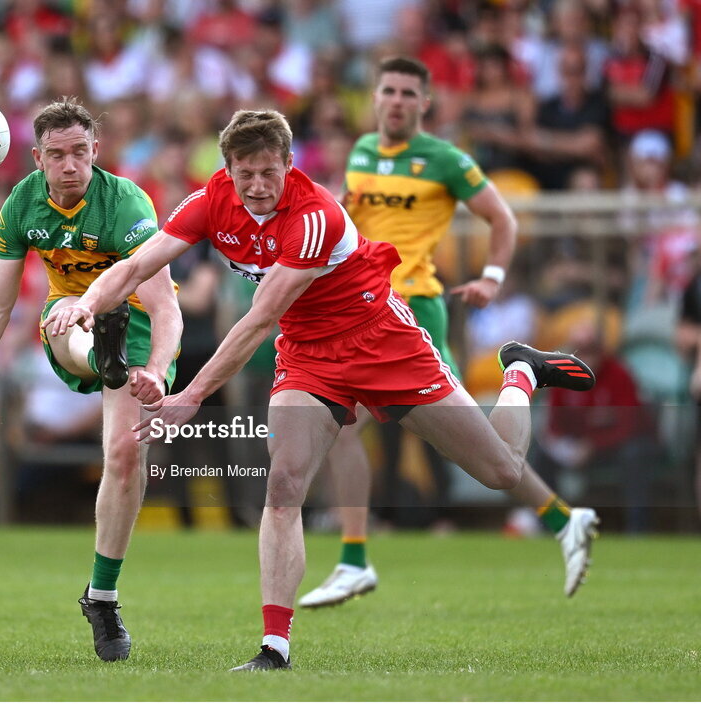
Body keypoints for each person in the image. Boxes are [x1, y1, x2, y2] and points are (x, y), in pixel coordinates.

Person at [44, 107, 598, 671]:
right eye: (245, 173)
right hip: (309, 355)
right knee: (283, 481)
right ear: (228, 169)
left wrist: (190, 397)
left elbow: (259, 321)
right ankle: (274, 649)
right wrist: (86, 305)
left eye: (268, 172)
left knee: (502, 470)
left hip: (380, 341)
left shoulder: (314, 216)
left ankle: (520, 374)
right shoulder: (211, 201)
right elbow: (136, 267)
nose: (257, 186)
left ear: (289, 164)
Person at [300, 57, 599, 610]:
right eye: (386, 90)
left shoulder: (443, 160)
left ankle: (523, 378)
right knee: (341, 420)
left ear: (424, 103)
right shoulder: (364, 151)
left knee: (483, 454)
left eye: (407, 93)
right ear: (375, 96)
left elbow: (503, 220)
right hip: (364, 310)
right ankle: (355, 559)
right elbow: (349, 217)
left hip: (413, 312)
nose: (395, 100)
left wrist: (491, 277)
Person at [0, 98, 182, 662]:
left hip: (140, 329)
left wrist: (155, 369)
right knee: (63, 316)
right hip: (70, 322)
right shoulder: (21, 203)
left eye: (80, 152)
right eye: (58, 155)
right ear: (37, 159)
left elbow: (166, 306)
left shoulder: (126, 204)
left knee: (124, 457)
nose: (71, 165)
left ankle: (101, 596)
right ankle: (99, 349)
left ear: (95, 152)